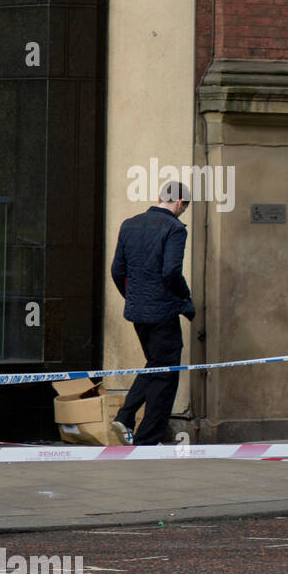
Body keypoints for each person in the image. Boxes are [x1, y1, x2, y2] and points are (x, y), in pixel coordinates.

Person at [110, 180, 194, 446]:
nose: (183, 212)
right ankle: (147, 438)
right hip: (162, 312)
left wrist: (134, 298)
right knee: (166, 375)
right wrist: (185, 298)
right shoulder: (174, 228)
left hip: (137, 312)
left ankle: (125, 416)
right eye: (185, 207)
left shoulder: (129, 224)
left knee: (156, 365)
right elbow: (171, 272)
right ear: (180, 203)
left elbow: (117, 271)